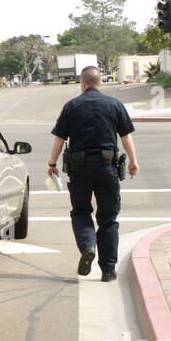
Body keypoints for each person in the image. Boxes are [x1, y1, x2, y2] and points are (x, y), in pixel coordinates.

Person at [47, 65, 139, 282]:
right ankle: (108, 270)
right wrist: (133, 162)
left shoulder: (71, 106)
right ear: (100, 82)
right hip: (108, 169)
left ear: (83, 83)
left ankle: (88, 246)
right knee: (108, 218)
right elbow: (126, 137)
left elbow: (59, 139)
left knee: (81, 212)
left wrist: (52, 163)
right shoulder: (114, 104)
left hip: (80, 170)